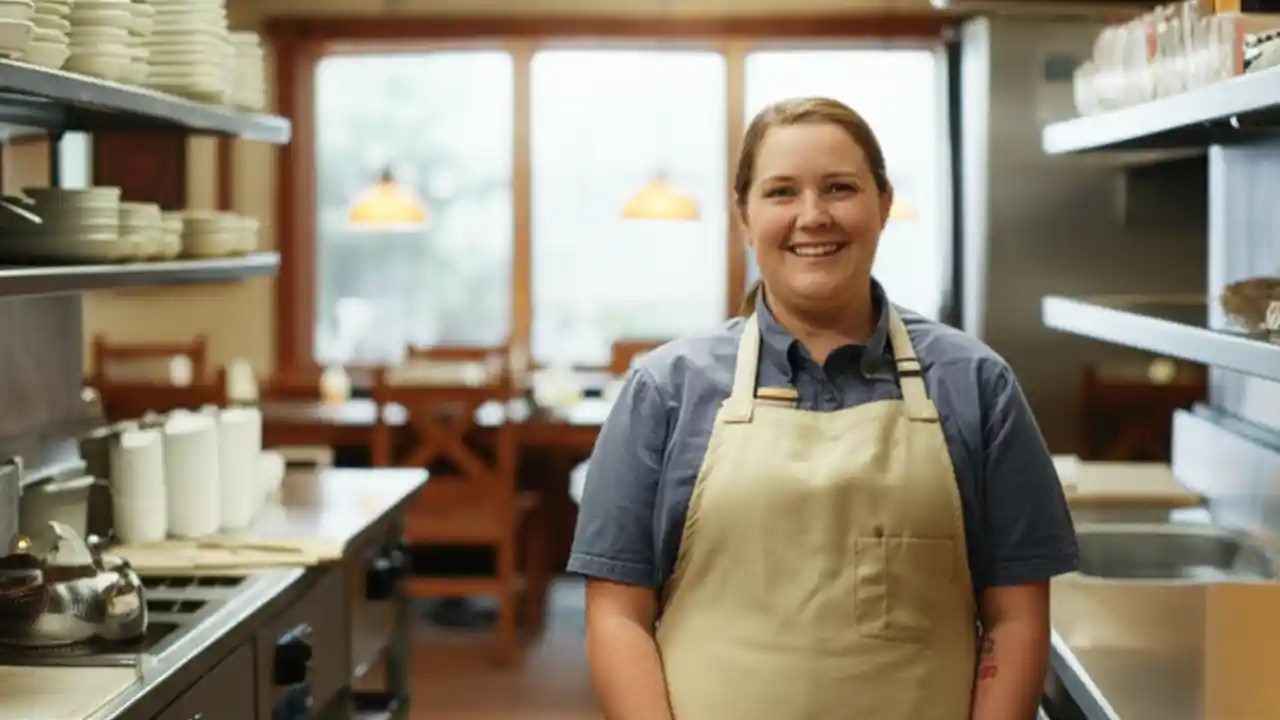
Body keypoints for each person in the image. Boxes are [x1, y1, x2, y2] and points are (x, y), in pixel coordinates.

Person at [568, 96, 1078, 720]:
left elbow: (1017, 618)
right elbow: (618, 616)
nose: (813, 216)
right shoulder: (664, 390)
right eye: (782, 192)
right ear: (744, 216)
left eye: (840, 188)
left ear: (883, 204)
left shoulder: (976, 385)